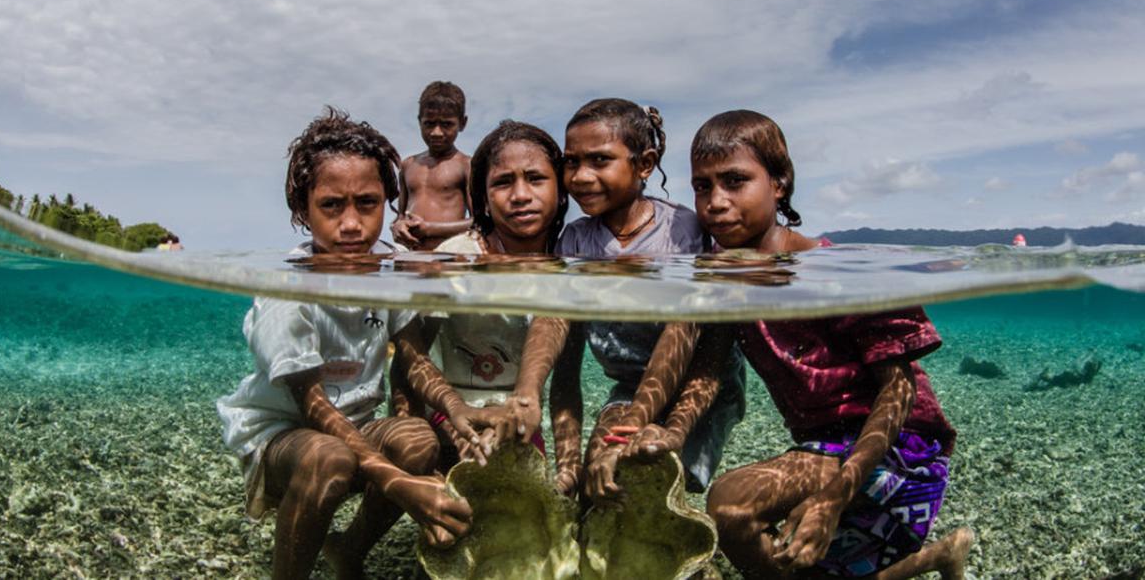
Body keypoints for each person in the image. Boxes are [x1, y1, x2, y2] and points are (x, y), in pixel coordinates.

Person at [689, 110, 972, 579]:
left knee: (731, 505)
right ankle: (938, 556)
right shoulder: (727, 280)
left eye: (735, 181)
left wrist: (834, 496)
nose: (715, 202)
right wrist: (666, 432)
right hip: (826, 451)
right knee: (803, 564)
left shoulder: (839, 273)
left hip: (901, 451)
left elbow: (899, 390)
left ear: (779, 184)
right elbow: (708, 371)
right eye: (702, 186)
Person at [216, 107, 471, 579]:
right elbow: (312, 405)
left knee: (418, 439)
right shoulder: (286, 289)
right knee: (327, 456)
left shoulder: (389, 269)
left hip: (354, 430)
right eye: (332, 205)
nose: (351, 224)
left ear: (387, 203)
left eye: (367, 203)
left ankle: (348, 550)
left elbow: (414, 358)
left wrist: (458, 410)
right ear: (303, 210)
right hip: (281, 438)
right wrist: (396, 482)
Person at [498, 98, 746, 498]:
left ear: (645, 164)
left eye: (600, 160)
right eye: (572, 162)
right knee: (599, 480)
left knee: (645, 476)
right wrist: (529, 395)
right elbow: (557, 331)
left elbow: (690, 334)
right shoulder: (576, 241)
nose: (581, 176)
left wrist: (638, 422)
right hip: (630, 387)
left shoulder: (681, 232)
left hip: (697, 388)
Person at [391, 119, 568, 468]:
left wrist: (567, 464)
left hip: (519, 415)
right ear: (483, 200)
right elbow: (410, 355)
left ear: (561, 191)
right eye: (502, 182)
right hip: (448, 410)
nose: (520, 195)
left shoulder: (567, 259)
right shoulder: (456, 258)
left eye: (535, 178)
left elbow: (563, 372)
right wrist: (412, 427)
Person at [390, 81, 473, 250]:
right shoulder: (408, 165)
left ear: (462, 123)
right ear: (419, 121)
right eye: (429, 123)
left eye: (447, 124)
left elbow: (480, 222)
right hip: (411, 256)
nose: (436, 132)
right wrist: (397, 226)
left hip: (449, 255)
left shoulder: (466, 165)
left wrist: (429, 229)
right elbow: (400, 216)